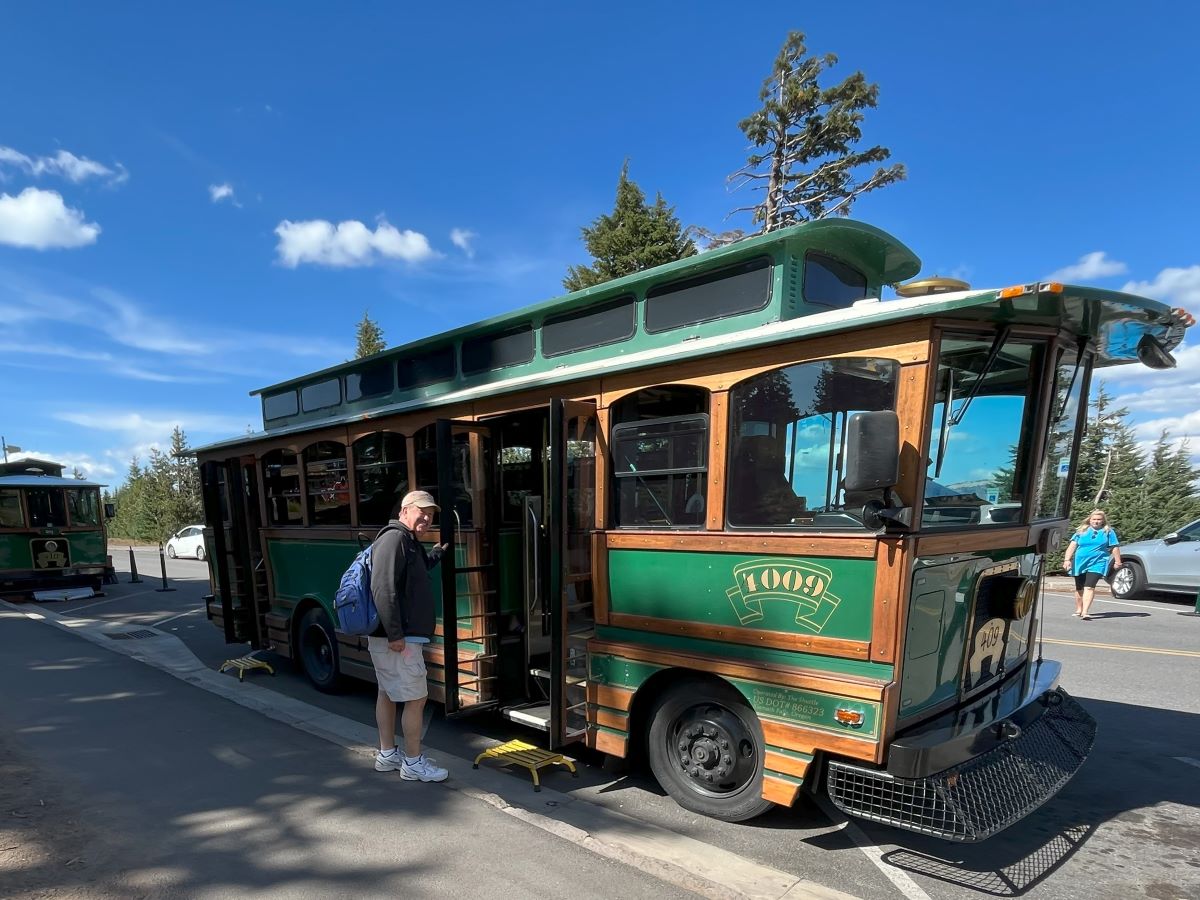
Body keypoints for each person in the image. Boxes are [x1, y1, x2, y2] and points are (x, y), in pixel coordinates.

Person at [369, 490, 451, 781]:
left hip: (394, 637)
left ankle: (388, 755)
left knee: (387, 693)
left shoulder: (406, 541)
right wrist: (395, 635)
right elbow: (383, 588)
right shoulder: (394, 539)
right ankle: (413, 763)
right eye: (422, 511)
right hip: (398, 639)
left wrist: (436, 555)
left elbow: (410, 576)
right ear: (405, 510)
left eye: (431, 514)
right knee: (416, 698)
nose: (427, 518)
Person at [1062, 509, 1121, 621]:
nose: (1096, 521)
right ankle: (1079, 608)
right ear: (1090, 520)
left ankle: (1085, 612)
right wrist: (1067, 560)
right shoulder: (1081, 531)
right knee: (1079, 587)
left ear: (1103, 521)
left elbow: (1114, 547)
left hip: (1098, 562)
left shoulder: (1108, 532)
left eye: (1099, 519)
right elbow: (1072, 546)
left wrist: (1118, 561)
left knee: (1089, 586)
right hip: (1080, 562)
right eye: (1094, 519)